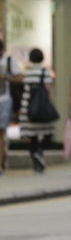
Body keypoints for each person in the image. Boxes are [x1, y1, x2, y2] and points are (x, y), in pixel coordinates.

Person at [19, 48, 54, 173]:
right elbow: (48, 90)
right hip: (41, 107)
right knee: (48, 134)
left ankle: (36, 163)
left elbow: (24, 89)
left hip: (27, 107)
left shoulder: (27, 72)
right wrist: (50, 104)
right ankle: (39, 152)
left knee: (32, 137)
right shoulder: (45, 72)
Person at [0, 40, 23, 173]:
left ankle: (1, 163)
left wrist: (5, 78)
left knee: (1, 133)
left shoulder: (9, 61)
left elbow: (20, 78)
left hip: (5, 100)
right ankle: (3, 158)